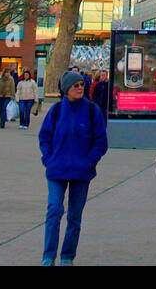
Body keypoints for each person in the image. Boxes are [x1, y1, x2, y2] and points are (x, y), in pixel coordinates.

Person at [38, 70, 108, 266]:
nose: (80, 88)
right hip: (57, 169)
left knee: (74, 217)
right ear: (66, 89)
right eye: (75, 85)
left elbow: (101, 142)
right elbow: (45, 136)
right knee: (53, 210)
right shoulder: (57, 111)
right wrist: (48, 157)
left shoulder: (92, 111)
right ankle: (48, 256)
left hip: (81, 172)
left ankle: (67, 256)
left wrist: (89, 162)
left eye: (81, 85)